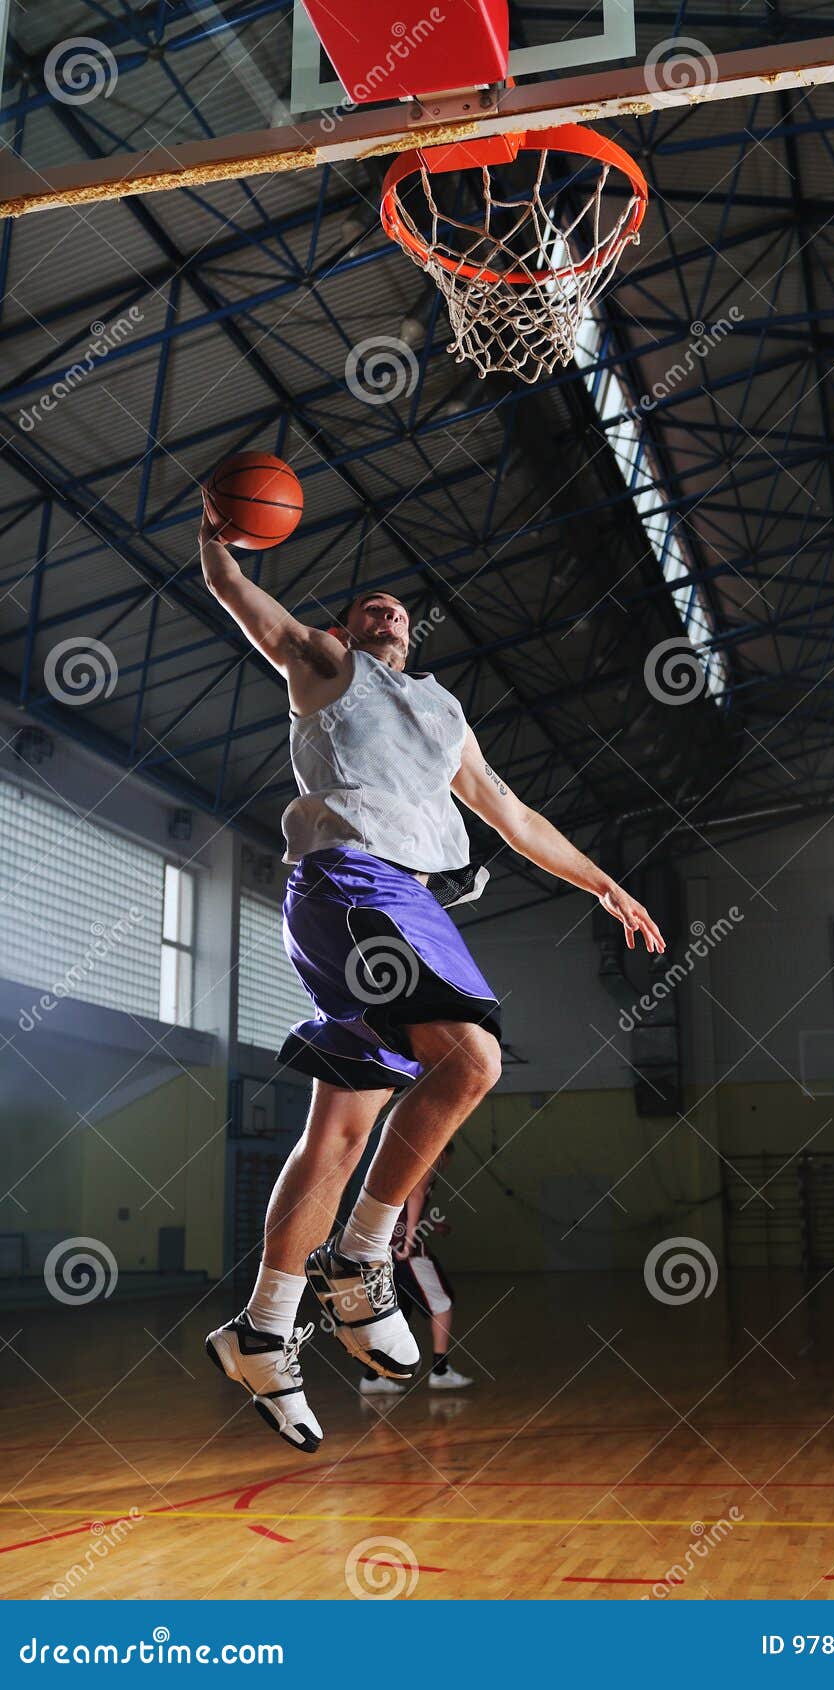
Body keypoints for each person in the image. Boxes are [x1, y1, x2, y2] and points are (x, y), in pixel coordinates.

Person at [200, 498, 665, 1451]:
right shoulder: (326, 671)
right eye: (370, 607)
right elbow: (242, 597)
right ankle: (361, 1262)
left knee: (336, 1135)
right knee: (474, 1060)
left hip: (388, 900)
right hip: (352, 882)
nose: (389, 614)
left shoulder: (444, 712)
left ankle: (261, 1328)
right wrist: (217, 537)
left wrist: (605, 883)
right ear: (342, 631)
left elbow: (511, 814)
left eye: (400, 611)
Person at [360, 1146, 471, 1398]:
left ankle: (373, 1376)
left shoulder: (403, 1160)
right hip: (404, 1250)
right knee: (442, 1303)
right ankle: (441, 1371)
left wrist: (430, 1224)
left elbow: (401, 1204)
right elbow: (415, 1196)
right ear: (446, 1153)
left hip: (384, 1244)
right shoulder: (430, 1157)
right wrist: (410, 1244)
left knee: (398, 1313)